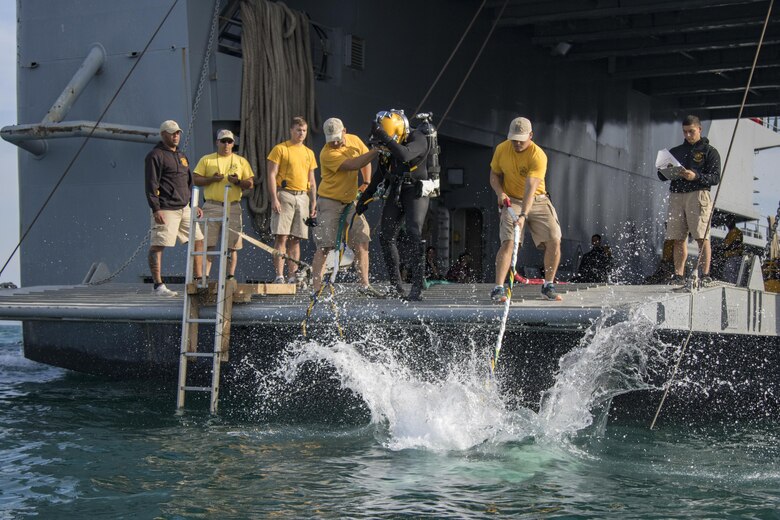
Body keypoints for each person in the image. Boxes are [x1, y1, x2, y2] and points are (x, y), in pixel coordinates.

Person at [357, 109, 433, 301]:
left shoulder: (418, 138)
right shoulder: (388, 146)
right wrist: (365, 198)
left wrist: (386, 138)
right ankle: (396, 286)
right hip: (397, 188)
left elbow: (405, 155)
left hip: (415, 191)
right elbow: (381, 173)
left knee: (414, 233)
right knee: (386, 236)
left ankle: (416, 287)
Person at [488, 117, 563, 302]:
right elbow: (494, 175)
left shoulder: (538, 155)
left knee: (554, 238)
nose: (517, 143)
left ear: (531, 135)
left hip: (537, 199)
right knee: (509, 242)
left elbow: (530, 188)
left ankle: (548, 286)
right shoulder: (502, 149)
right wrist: (500, 193)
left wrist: (523, 215)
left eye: (521, 139)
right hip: (511, 199)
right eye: (514, 139)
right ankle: (498, 288)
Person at [311, 117, 382, 296]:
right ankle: (317, 289)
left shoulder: (354, 140)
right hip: (329, 201)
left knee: (362, 237)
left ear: (344, 131)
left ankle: (364, 285)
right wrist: (379, 149)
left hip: (350, 201)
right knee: (325, 246)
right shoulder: (327, 154)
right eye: (331, 140)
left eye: (337, 138)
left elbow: (364, 159)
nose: (334, 143)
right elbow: (355, 164)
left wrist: (366, 181)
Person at [658, 115, 721, 286]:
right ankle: (679, 275)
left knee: (702, 236)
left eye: (691, 131)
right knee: (678, 237)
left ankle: (705, 274)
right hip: (677, 194)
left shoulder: (710, 152)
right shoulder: (676, 151)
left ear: (699, 129)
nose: (688, 135)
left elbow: (715, 178)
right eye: (685, 132)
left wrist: (696, 176)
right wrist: (670, 171)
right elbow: (660, 175)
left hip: (698, 193)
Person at [144, 120, 204, 296]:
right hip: (166, 208)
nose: (176, 136)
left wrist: (194, 205)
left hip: (185, 207)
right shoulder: (155, 155)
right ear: (163, 135)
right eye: (172, 133)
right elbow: (151, 184)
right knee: (159, 244)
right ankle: (158, 285)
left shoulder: (181, 156)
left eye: (178, 132)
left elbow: (189, 181)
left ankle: (198, 279)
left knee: (198, 239)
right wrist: (156, 209)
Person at [192, 129, 255, 280]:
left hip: (233, 206)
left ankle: (229, 277)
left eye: (229, 141)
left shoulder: (241, 161)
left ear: (233, 144)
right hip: (212, 205)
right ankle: (204, 277)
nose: (226, 144)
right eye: (223, 141)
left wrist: (238, 182)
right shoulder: (207, 160)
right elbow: (195, 179)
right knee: (208, 243)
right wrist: (211, 179)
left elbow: (250, 184)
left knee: (232, 245)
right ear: (217, 142)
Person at [267, 117, 318, 284]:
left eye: (303, 130)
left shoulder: (309, 153)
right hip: (285, 194)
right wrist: (274, 198)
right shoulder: (280, 149)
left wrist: (313, 202)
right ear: (291, 130)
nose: (301, 133)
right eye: (298, 130)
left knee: (296, 238)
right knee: (281, 236)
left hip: (302, 196)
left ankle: (292, 276)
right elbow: (272, 174)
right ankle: (279, 275)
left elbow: (312, 179)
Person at [720, 216, 744, 283]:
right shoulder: (731, 233)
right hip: (731, 256)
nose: (726, 224)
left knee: (730, 273)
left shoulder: (736, 232)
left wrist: (724, 248)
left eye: (727, 222)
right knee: (729, 273)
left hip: (734, 257)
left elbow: (734, 244)